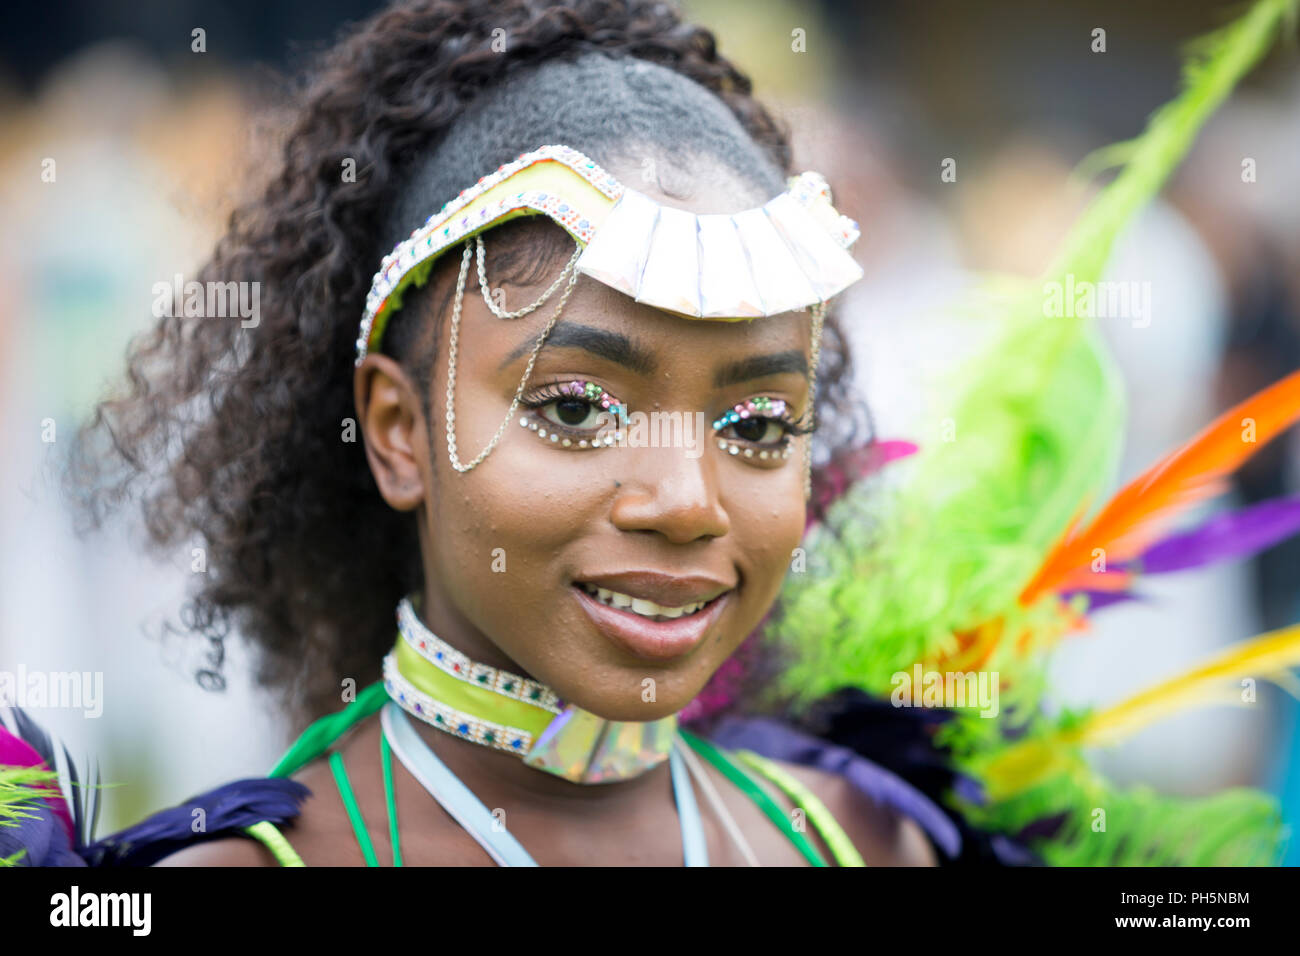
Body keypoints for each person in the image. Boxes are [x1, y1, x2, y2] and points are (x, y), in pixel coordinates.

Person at [5, 0, 1298, 869]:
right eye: (575, 406)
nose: (688, 498)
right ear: (396, 434)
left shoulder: (863, 838)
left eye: (756, 422)